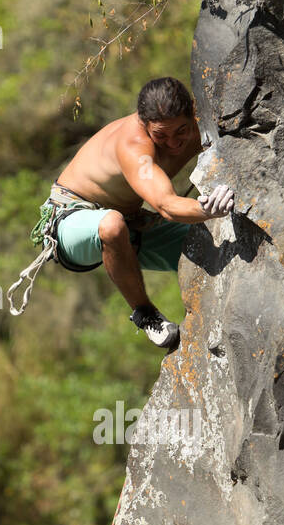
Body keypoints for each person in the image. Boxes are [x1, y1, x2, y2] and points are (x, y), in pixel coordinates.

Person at [42, 77, 234, 349]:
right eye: (161, 136)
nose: (173, 143)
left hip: (131, 224)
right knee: (111, 225)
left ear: (192, 109)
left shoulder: (201, 122)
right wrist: (208, 209)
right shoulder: (133, 144)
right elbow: (166, 205)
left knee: (212, 245)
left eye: (181, 130)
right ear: (144, 124)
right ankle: (145, 314)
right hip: (71, 220)